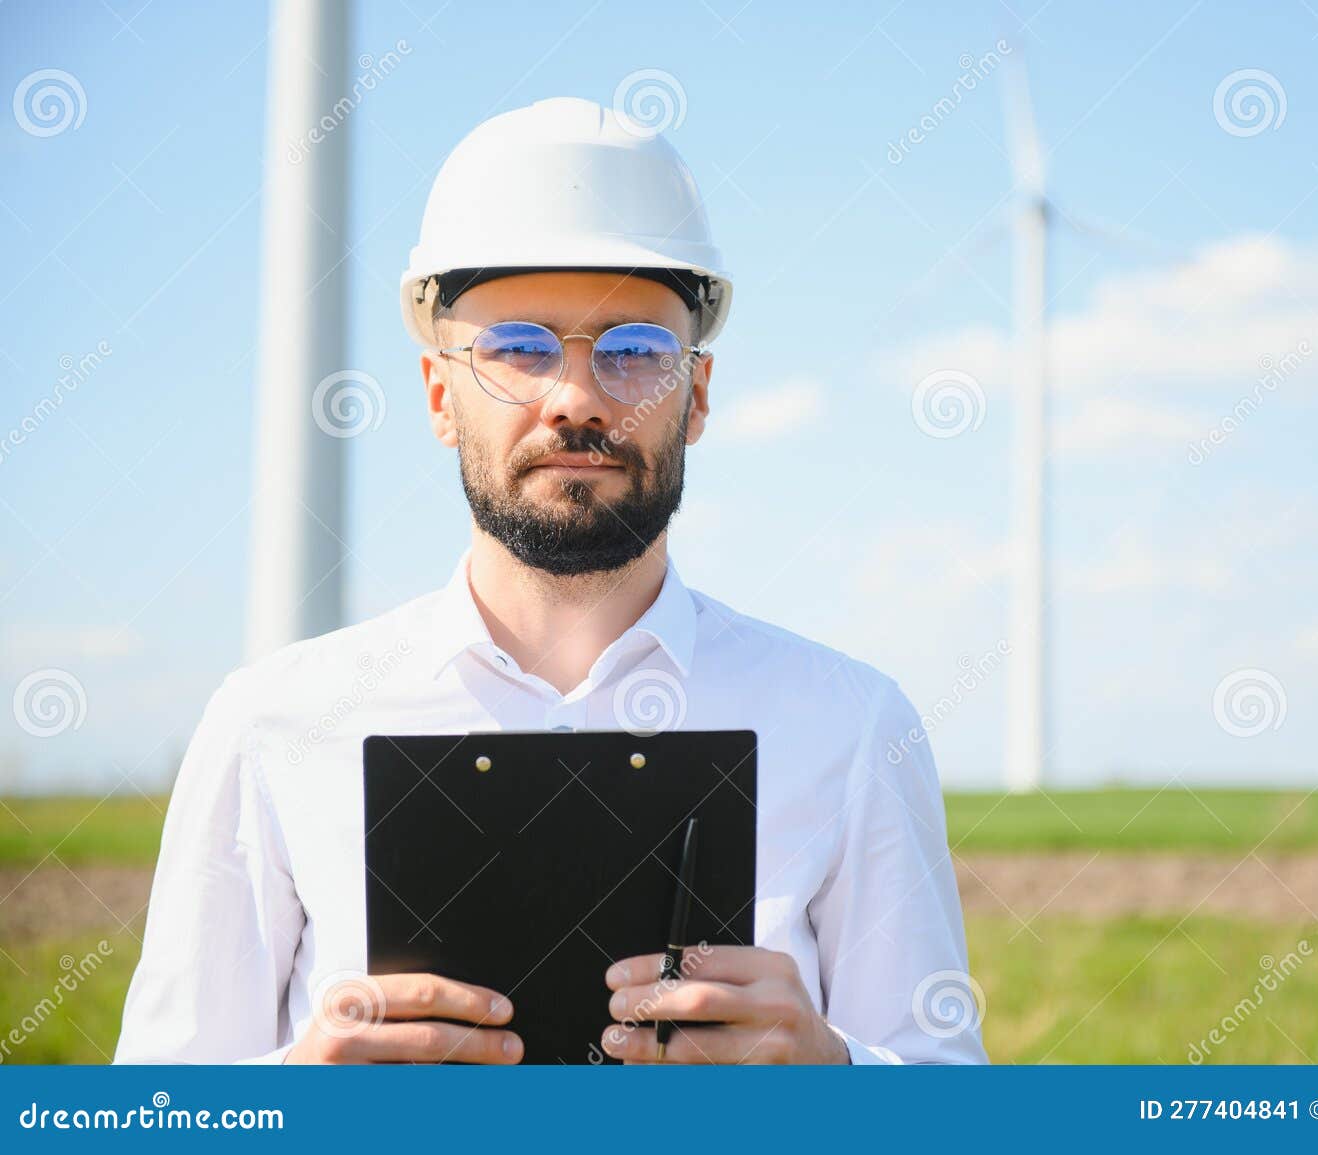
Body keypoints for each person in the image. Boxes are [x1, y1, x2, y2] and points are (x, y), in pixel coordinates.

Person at [113, 96, 985, 1066]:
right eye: (520, 349)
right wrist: (300, 1099)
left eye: (636, 353)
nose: (576, 398)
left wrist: (835, 1076)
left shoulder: (853, 727)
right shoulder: (269, 726)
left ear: (696, 396)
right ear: (441, 395)